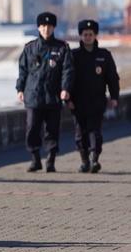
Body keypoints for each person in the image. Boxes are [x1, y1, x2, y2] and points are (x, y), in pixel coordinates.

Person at [16, 11, 74, 172]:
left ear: (53, 27)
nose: (46, 29)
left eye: (49, 26)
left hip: (53, 96)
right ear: (38, 27)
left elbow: (67, 70)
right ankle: (35, 159)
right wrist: (20, 88)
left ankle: (50, 160)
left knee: (52, 129)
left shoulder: (62, 48)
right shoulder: (30, 48)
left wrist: (65, 89)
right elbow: (23, 70)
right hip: (33, 95)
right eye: (43, 26)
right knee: (32, 128)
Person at [67, 19, 120, 173]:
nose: (88, 37)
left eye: (90, 34)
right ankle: (84, 161)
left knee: (94, 131)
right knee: (81, 132)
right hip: (78, 102)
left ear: (95, 35)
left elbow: (112, 78)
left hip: (97, 100)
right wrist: (68, 99)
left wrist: (114, 97)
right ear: (81, 36)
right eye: (85, 34)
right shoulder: (74, 56)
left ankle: (94, 159)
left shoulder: (104, 55)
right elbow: (67, 78)